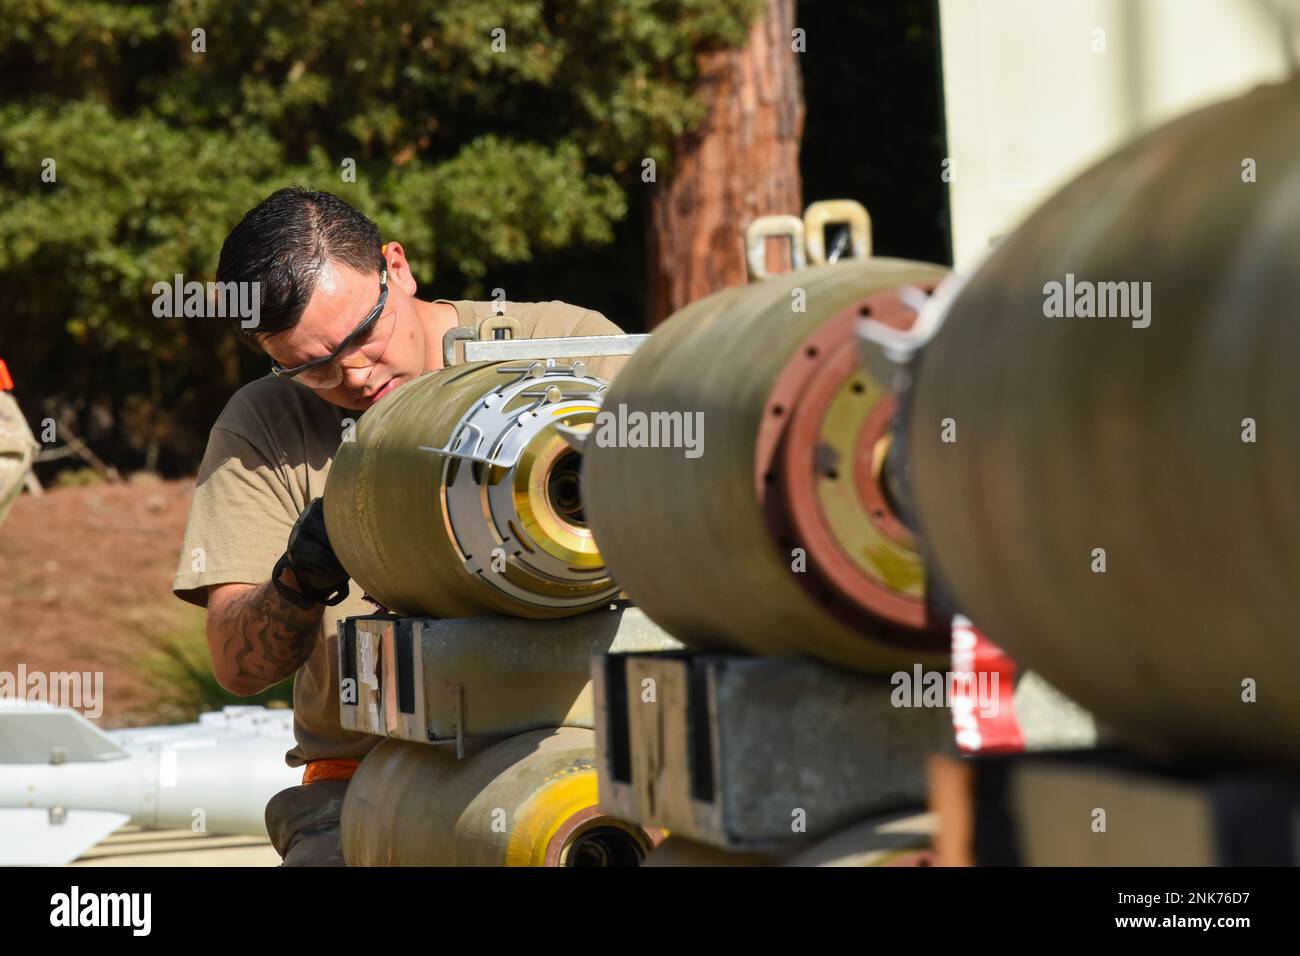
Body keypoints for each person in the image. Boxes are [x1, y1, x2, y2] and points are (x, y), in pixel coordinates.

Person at [171, 187, 625, 865]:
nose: (351, 374)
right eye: (309, 365)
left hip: (595, 744)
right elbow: (239, 666)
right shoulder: (265, 424)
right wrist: (301, 579)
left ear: (397, 268)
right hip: (369, 776)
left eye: (360, 335)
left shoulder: (571, 357)